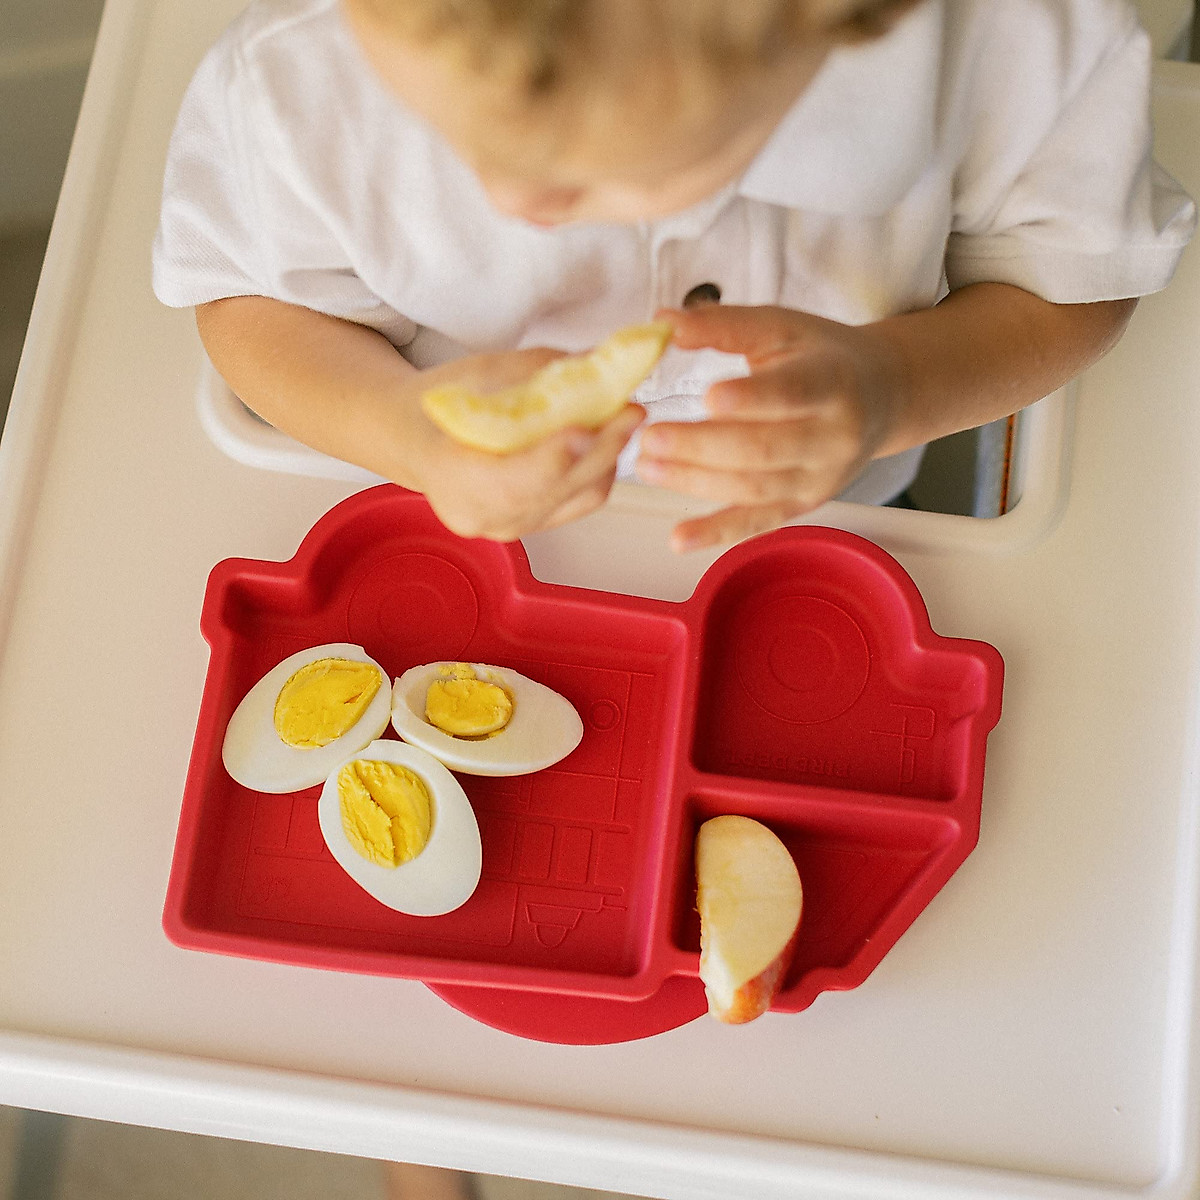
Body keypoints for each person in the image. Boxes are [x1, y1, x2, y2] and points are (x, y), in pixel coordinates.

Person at [152, 0, 1194, 556]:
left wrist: (894, 387)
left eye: (595, 173)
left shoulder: (1012, 39)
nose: (510, 202)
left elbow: (1071, 282)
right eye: (446, 130)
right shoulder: (304, 70)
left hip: (836, 517)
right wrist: (406, 431)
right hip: (435, 525)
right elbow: (250, 300)